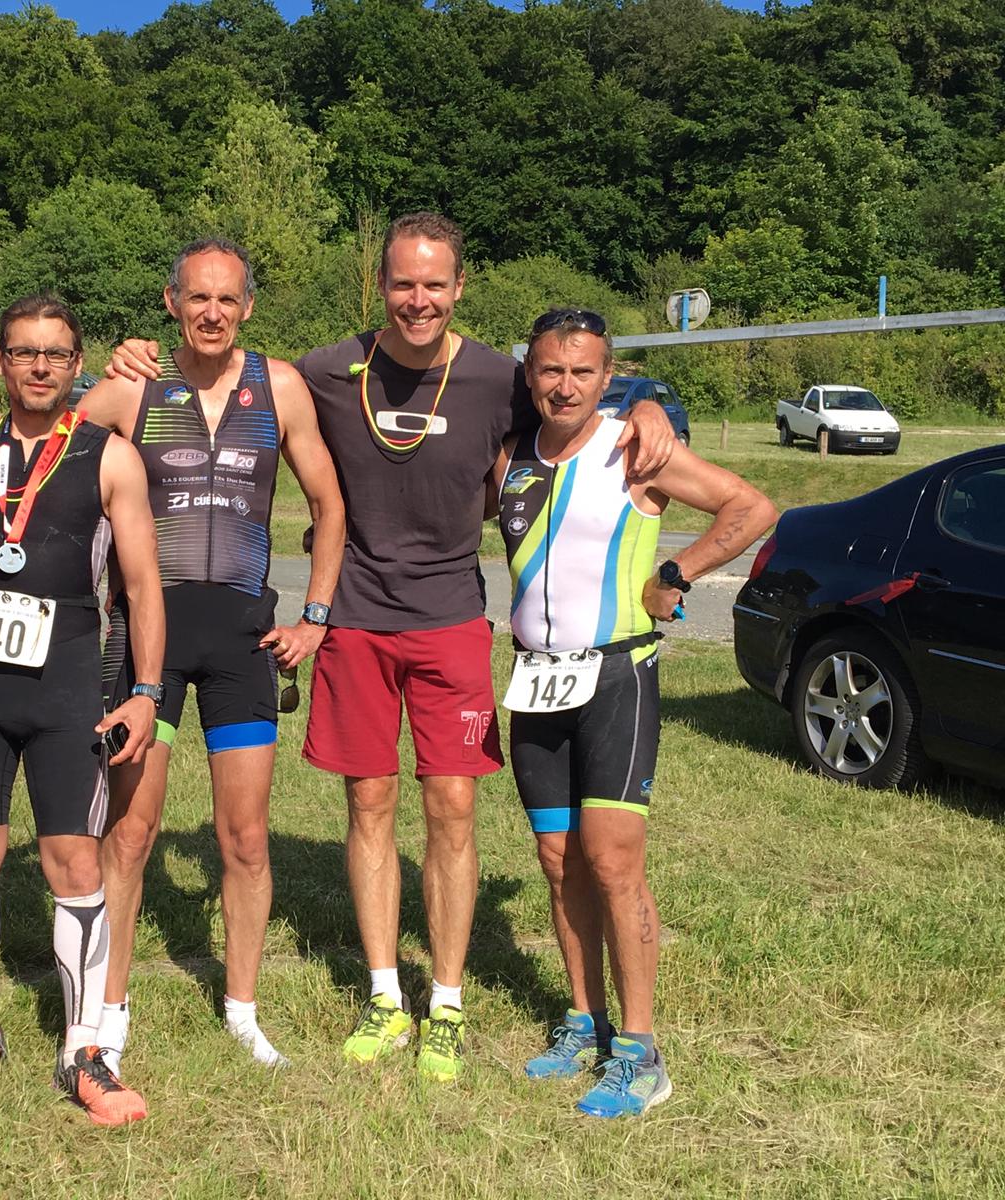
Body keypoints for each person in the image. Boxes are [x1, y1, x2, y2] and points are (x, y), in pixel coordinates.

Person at [103, 213, 672, 1083]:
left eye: (434, 284)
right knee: (368, 808)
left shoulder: (496, 376)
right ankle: (382, 994)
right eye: (403, 283)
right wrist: (130, 355)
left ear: (459, 288)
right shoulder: (327, 372)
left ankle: (444, 1002)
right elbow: (180, 383)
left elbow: (578, 389)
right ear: (381, 287)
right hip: (360, 624)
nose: (418, 299)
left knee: (452, 811)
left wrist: (651, 409)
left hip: (449, 618)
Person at [490, 308, 777, 1117]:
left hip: (617, 678)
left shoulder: (633, 444)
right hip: (537, 682)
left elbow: (750, 508)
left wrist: (678, 575)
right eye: (550, 370)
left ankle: (642, 1052)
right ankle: (584, 1019)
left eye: (582, 371)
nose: (565, 385)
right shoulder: (514, 455)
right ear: (531, 375)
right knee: (557, 862)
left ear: (607, 377)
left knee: (614, 865)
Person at [78, 238, 345, 1075]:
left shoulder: (282, 386)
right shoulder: (136, 385)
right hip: (145, 638)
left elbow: (330, 506)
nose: (212, 313)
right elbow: (45, 453)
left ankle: (242, 1009)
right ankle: (109, 1010)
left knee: (245, 837)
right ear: (170, 301)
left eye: (227, 300)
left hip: (241, 639)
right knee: (130, 833)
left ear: (248, 308)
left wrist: (315, 620)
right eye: (198, 298)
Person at [0, 294, 163, 1127]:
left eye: (56, 354)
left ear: (76, 363)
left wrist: (145, 690)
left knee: (74, 863)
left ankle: (85, 1048)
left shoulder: (109, 457)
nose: (39, 367)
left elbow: (141, 586)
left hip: (67, 686)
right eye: (24, 353)